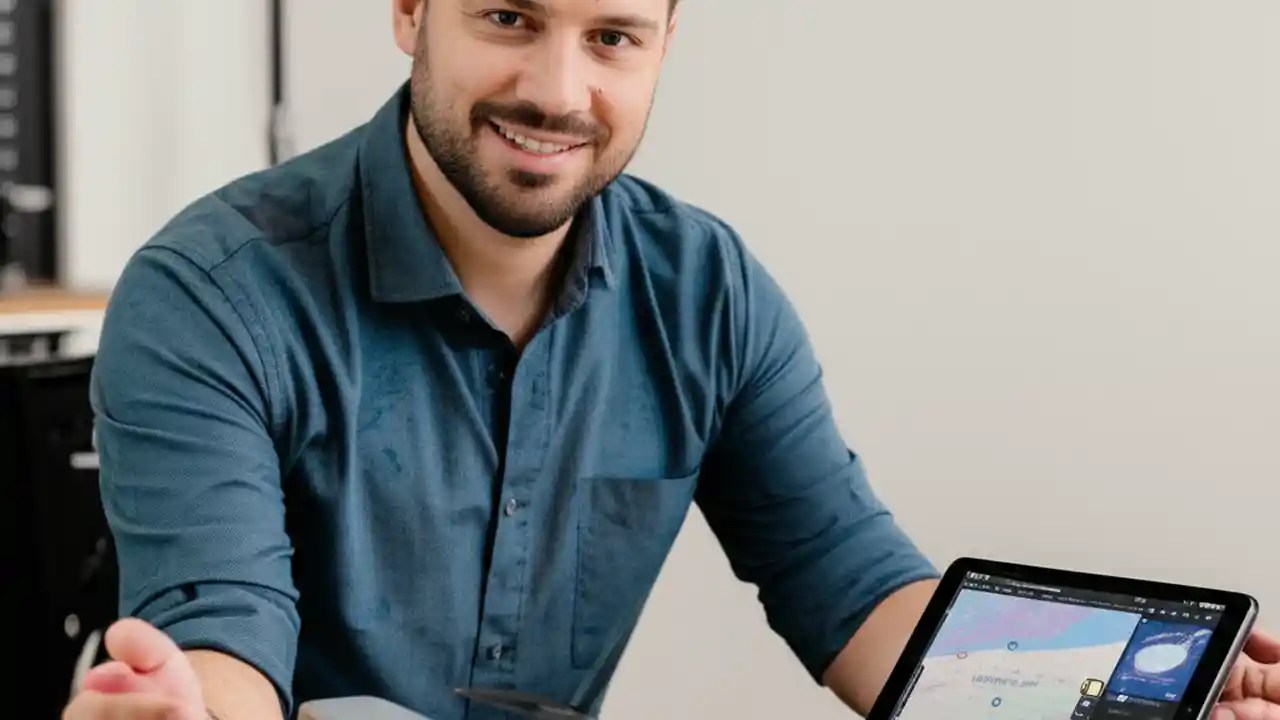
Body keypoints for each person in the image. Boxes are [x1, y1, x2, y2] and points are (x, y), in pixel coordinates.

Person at [63, 1, 1279, 719]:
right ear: (409, 9)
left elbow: (856, 593)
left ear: (664, 40)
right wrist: (179, 707)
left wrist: (1123, 688)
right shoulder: (211, 291)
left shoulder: (707, 290)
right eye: (508, 17)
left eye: (612, 36)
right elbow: (223, 637)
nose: (557, 90)